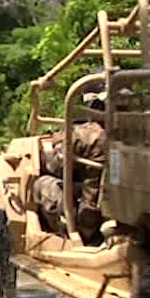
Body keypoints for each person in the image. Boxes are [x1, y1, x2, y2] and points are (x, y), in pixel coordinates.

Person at [33, 87, 108, 246]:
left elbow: (54, 166)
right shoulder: (144, 130)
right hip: (129, 214)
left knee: (40, 184)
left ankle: (64, 237)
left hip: (91, 220)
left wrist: (50, 150)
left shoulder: (83, 135)